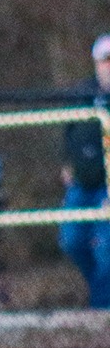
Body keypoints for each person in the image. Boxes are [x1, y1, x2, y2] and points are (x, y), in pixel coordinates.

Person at [58, 34, 110, 308]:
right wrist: (66, 164)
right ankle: (100, 293)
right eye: (105, 61)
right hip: (81, 185)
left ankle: (101, 315)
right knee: (71, 241)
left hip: (108, 186)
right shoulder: (82, 93)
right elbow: (67, 132)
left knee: (106, 249)